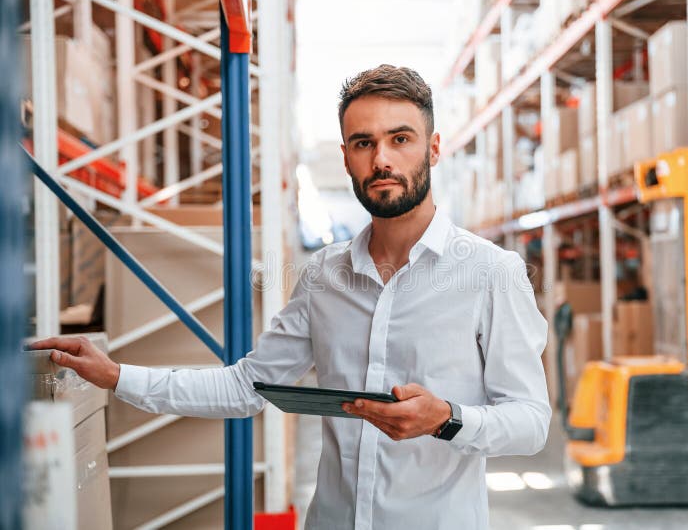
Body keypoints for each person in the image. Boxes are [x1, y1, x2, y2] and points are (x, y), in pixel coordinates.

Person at [31, 64, 551, 530]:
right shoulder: (326, 275)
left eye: (400, 139)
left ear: (433, 148)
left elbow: (531, 421)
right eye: (364, 143)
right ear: (346, 156)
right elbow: (247, 386)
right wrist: (117, 376)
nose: (382, 159)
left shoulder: (490, 273)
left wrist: (448, 419)